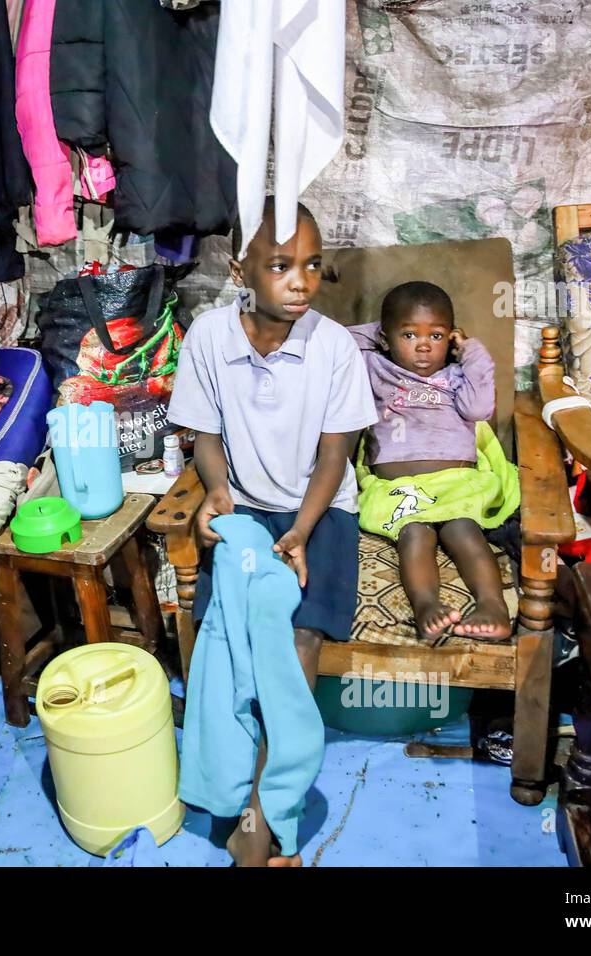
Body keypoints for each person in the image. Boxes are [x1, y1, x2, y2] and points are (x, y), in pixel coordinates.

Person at [167, 196, 378, 866]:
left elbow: (335, 457)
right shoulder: (208, 338)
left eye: (312, 265)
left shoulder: (334, 347)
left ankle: (264, 807)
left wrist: (301, 533)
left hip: (322, 507)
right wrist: (219, 493)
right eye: (282, 265)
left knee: (296, 639)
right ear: (242, 270)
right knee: (227, 634)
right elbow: (204, 438)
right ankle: (224, 781)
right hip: (248, 507)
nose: (301, 281)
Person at [349, 281, 520, 642]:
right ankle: (427, 605)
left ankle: (493, 606)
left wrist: (470, 351)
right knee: (414, 534)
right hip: (399, 489)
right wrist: (381, 334)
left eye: (438, 335)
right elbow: (339, 340)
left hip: (455, 482)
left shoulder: (457, 376)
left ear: (452, 338)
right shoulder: (376, 367)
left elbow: (478, 410)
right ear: (385, 338)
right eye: (409, 334)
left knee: (464, 531)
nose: (424, 345)